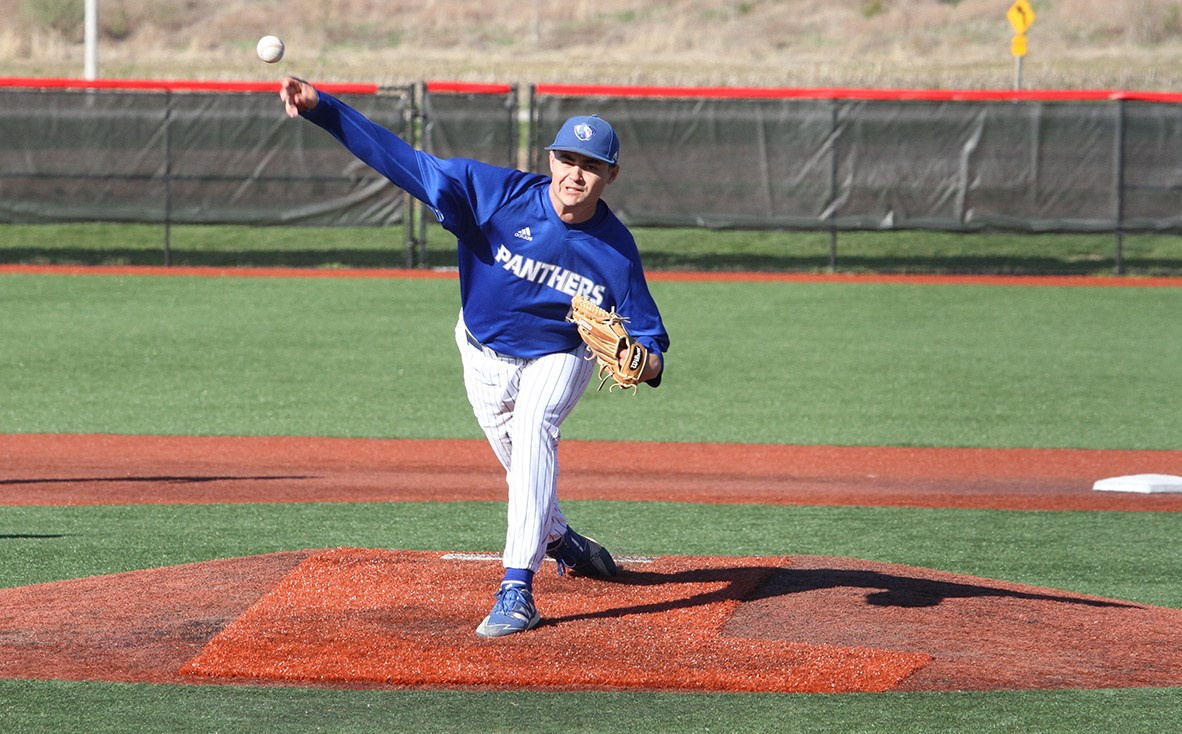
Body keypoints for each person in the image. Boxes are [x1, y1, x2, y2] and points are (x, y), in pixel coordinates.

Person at [279, 77, 669, 638]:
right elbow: (401, 161)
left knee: (536, 430)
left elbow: (652, 349)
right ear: (550, 159)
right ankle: (559, 538)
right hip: (481, 350)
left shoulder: (616, 251)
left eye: (590, 164)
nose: (574, 175)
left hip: (559, 355)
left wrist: (641, 360)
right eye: (565, 158)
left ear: (611, 175)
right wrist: (323, 110)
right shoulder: (495, 194)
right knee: (522, 470)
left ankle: (517, 589)